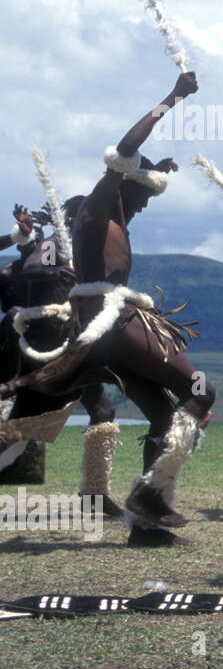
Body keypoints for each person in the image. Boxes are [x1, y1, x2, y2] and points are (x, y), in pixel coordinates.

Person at [0, 72, 215, 547]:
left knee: (161, 416)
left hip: (102, 334)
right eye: (144, 193)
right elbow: (125, 146)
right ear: (127, 184)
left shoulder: (115, 216)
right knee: (202, 391)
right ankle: (149, 495)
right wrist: (173, 97)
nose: (146, 205)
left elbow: (136, 169)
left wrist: (156, 166)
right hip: (113, 322)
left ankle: (143, 528)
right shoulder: (99, 206)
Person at [0, 199, 122, 509]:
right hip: (46, 353)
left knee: (103, 412)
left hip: (73, 349)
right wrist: (65, 272)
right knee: (20, 431)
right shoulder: (55, 244)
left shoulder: (82, 253)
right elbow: (32, 269)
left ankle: (95, 495)